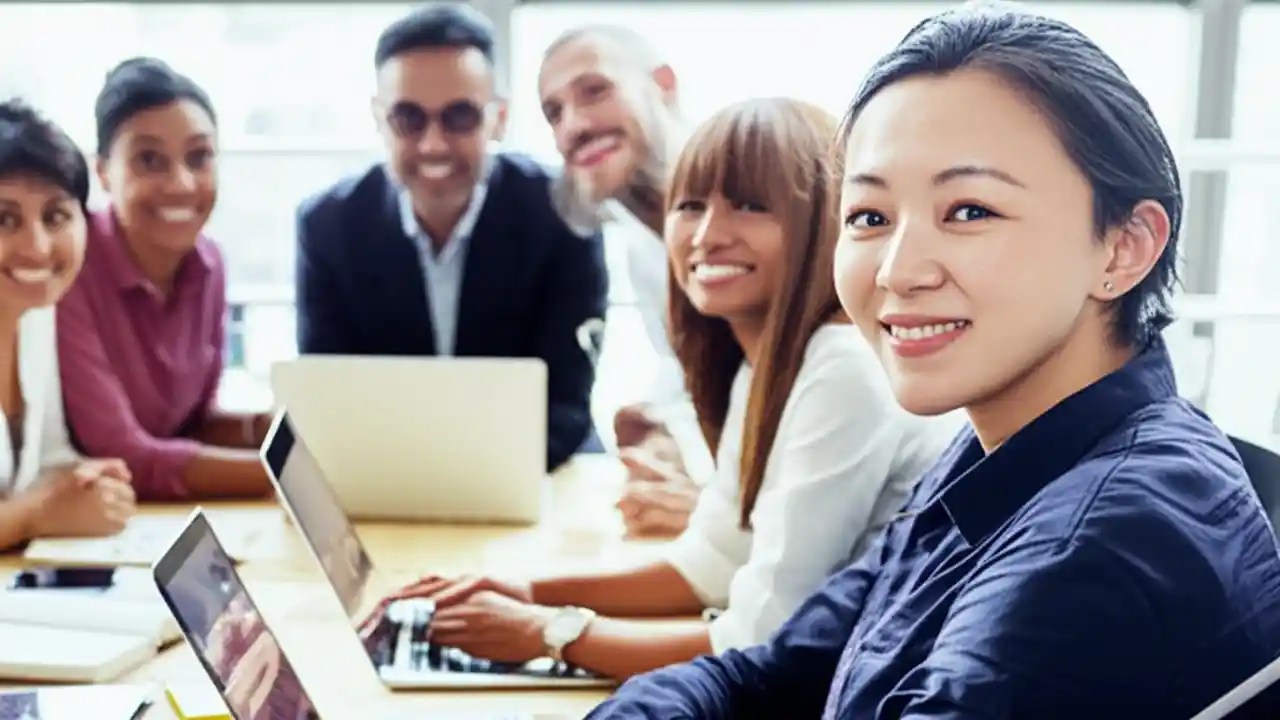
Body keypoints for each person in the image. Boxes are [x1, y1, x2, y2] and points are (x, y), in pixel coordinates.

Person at [588, 4, 1280, 718]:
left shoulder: (1093, 551)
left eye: (969, 210)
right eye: (870, 218)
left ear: (1124, 246)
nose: (896, 270)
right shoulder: (1001, 455)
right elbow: (771, 672)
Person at [376, 98, 957, 681]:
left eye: (751, 206)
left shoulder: (843, 369)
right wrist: (524, 589)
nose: (708, 235)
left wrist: (549, 632)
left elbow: (759, 639)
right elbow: (711, 562)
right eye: (691, 206)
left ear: (824, 220)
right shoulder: (768, 365)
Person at [296, 3, 608, 472]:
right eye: (408, 118)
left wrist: (468, 479)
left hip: (536, 464)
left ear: (498, 119)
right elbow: (331, 399)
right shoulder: (328, 226)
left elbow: (564, 403)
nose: (433, 144)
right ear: (380, 119)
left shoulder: (562, 213)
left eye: (459, 116)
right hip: (388, 473)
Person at [56, 58, 272, 501]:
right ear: (102, 172)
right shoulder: (70, 264)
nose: (181, 183)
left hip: (147, 524)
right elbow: (123, 455)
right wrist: (292, 478)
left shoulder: (209, 264)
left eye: (199, 157)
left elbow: (188, 427)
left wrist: (265, 429)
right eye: (149, 160)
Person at [538, 25, 706, 535]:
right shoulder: (641, 247)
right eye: (554, 113)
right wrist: (664, 434)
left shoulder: (766, 217)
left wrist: (719, 515)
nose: (574, 127)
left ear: (664, 84)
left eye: (595, 91)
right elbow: (691, 381)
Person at [0, 99, 135, 551]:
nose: (37, 247)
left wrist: (87, 482)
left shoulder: (36, 315)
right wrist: (34, 515)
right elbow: (35, 503)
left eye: (56, 216)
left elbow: (47, 464)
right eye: (5, 220)